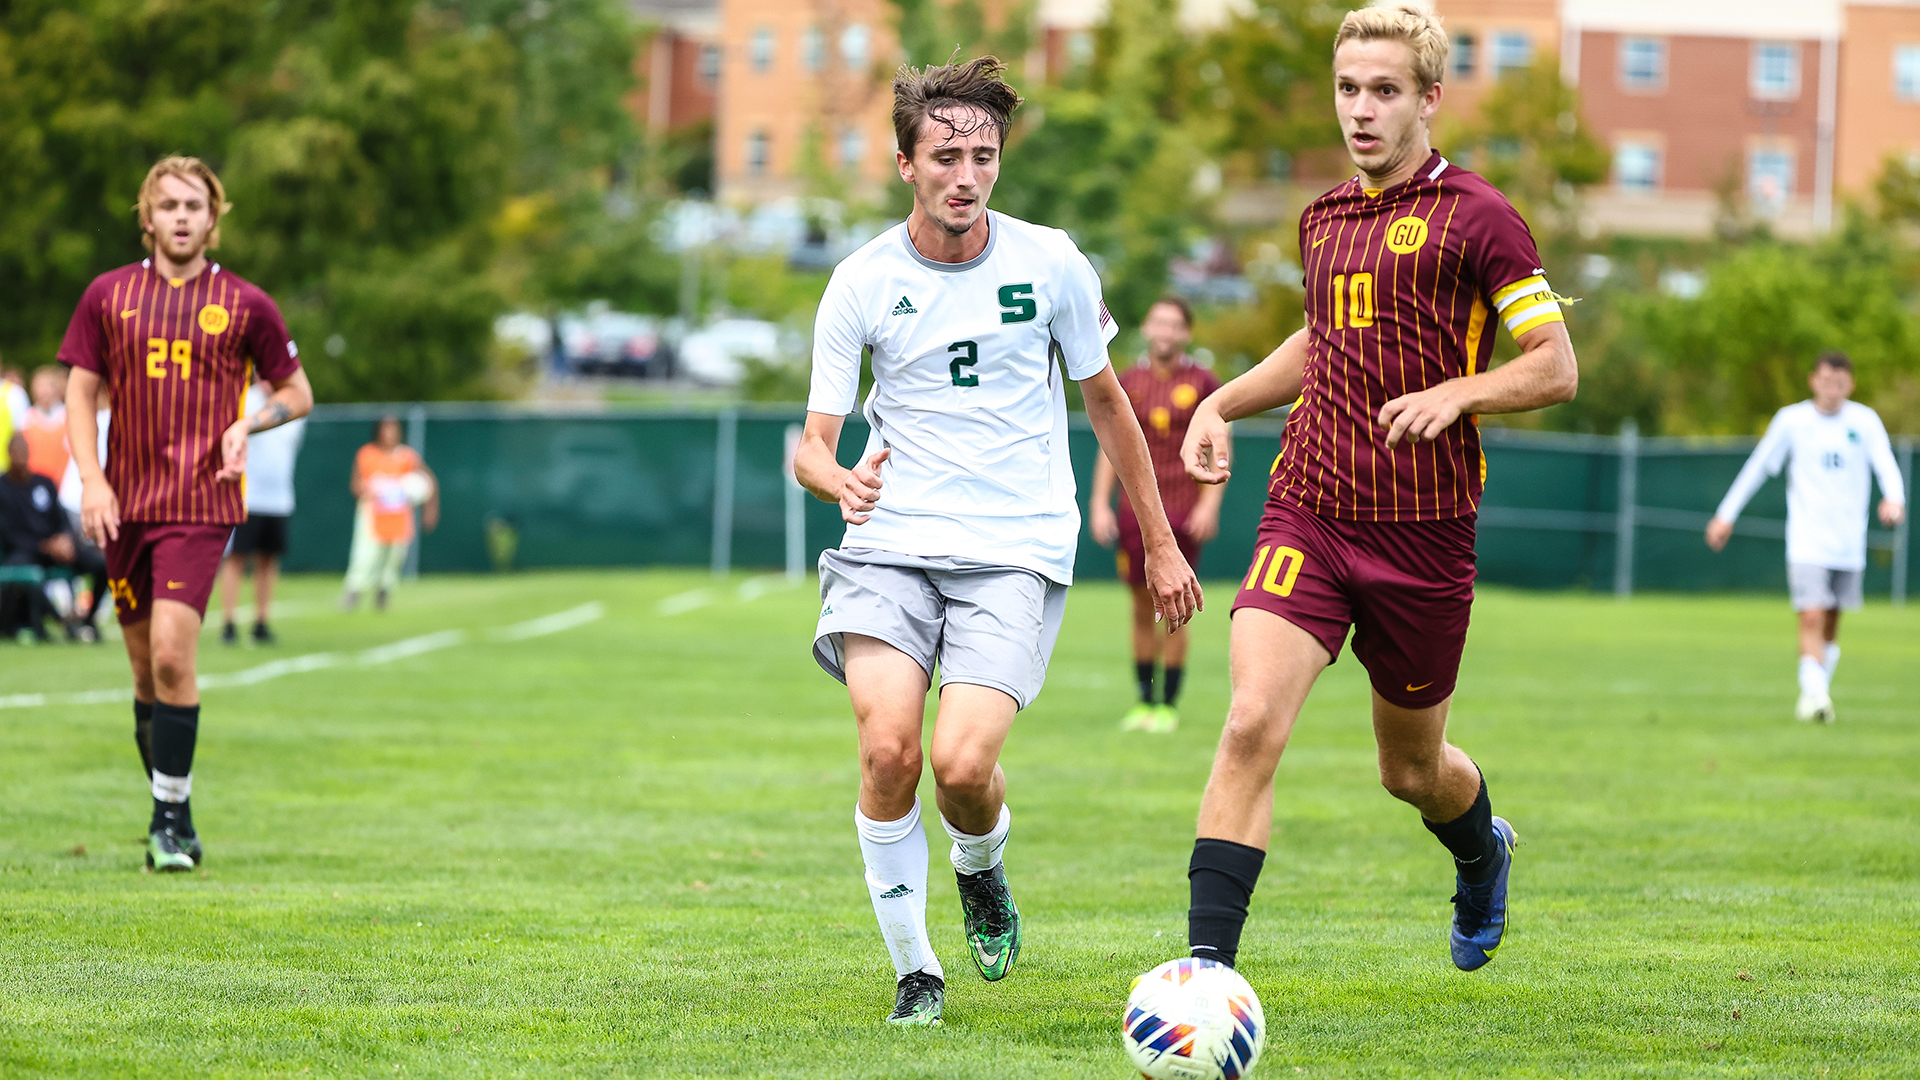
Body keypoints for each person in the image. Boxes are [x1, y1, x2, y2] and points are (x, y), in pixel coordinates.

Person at [793, 55, 1202, 1027]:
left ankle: (981, 868)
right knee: (889, 748)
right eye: (945, 157)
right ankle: (916, 973)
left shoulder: (1051, 260)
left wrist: (1160, 542)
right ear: (906, 165)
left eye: (982, 155)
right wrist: (838, 476)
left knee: (962, 768)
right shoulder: (860, 281)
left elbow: (1107, 404)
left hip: (1015, 548)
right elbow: (812, 444)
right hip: (889, 545)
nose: (966, 175)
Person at [1174, 4, 1579, 977]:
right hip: (1307, 510)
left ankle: (1482, 852)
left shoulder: (1478, 217)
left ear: (1429, 99)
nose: (1362, 110)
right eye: (1350, 89)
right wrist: (1219, 403)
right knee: (1247, 724)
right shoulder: (1322, 216)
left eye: (1385, 91)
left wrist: (1460, 391)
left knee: (1411, 771)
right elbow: (1325, 340)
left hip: (1422, 540)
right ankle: (1207, 978)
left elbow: (1555, 366)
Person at [60, 155, 313, 873]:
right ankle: (176, 810)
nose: (180, 216)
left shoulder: (245, 304)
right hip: (125, 508)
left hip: (201, 505)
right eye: (167, 204)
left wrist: (249, 423)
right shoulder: (108, 297)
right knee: (146, 674)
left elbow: (296, 392)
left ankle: (167, 823)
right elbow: (81, 394)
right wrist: (92, 481)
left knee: (174, 654)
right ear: (147, 218)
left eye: (194, 206)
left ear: (213, 218)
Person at [1705, 352, 1906, 723]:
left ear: (1851, 385)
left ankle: (1814, 694)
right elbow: (1757, 467)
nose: (1833, 389)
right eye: (1827, 381)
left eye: (1841, 383)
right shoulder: (1792, 421)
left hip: (1848, 542)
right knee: (1811, 616)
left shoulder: (1864, 422)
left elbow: (1886, 467)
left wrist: (1895, 500)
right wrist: (1725, 514)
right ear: (1814, 380)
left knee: (1830, 620)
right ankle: (1815, 694)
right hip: (1807, 539)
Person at [1088, 295, 1225, 734]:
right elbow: (1113, 446)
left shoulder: (1204, 382)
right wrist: (1098, 503)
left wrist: (1209, 504)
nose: (1165, 331)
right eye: (1158, 322)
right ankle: (1144, 700)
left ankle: (1168, 703)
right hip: (1134, 512)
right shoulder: (1127, 381)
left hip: (1183, 512)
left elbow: (1220, 443)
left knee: (1177, 604)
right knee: (1139, 606)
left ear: (1186, 332)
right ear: (1146, 327)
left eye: (1174, 324)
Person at [217, 380, 308, 645]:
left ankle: (261, 621)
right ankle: (229, 622)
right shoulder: (246, 400)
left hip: (279, 498)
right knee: (236, 559)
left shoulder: (293, 404)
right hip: (249, 497)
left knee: (268, 560)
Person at [1, 432, 108, 641]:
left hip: (57, 548)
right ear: (9, 454)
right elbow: (8, 534)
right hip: (25, 551)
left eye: (24, 451)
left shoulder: (44, 483)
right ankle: (61, 621)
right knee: (25, 574)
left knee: (101, 565)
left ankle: (88, 619)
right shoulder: (2, 489)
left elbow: (62, 519)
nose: (21, 456)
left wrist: (66, 539)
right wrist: (44, 546)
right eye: (17, 452)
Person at [342, 416, 437, 612]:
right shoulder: (367, 454)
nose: (390, 433)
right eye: (386, 428)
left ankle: (383, 593)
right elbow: (356, 484)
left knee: (394, 558)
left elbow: (428, 481)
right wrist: (372, 490)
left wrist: (429, 508)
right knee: (364, 555)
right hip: (372, 513)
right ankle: (354, 592)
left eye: (394, 429)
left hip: (398, 516)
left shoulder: (406, 456)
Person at [22, 365, 70, 483]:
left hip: (64, 481)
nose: (45, 391)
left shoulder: (67, 415)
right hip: (36, 481)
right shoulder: (27, 418)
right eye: (40, 386)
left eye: (49, 386)